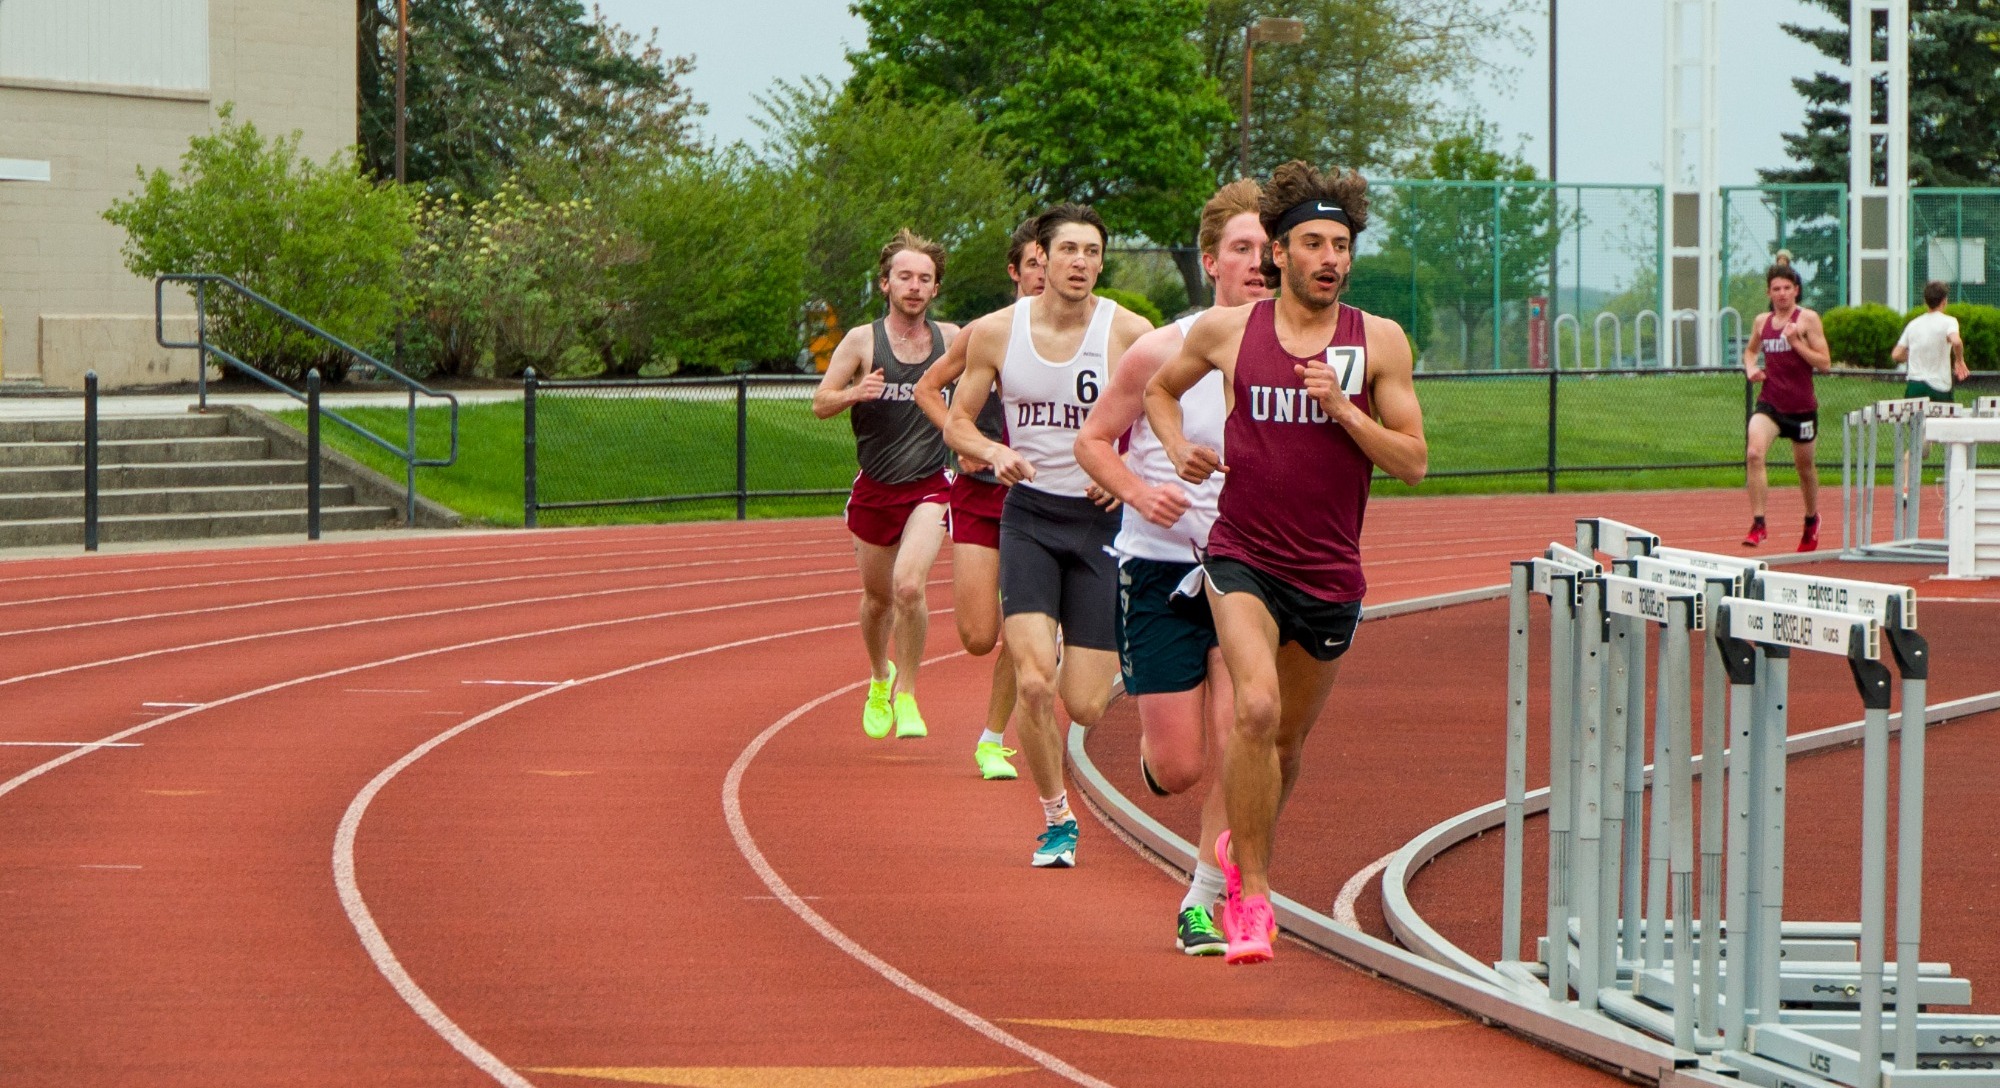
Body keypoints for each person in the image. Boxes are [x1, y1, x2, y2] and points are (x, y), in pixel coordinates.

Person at [1144, 162, 1426, 964]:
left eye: (1341, 244)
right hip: (1243, 556)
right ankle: (1251, 897)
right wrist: (1175, 449)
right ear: (1279, 251)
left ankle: (1236, 859)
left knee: (1285, 744)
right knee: (1254, 711)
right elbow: (1162, 392)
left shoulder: (1378, 341)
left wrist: (1343, 411)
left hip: (1330, 574)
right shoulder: (1229, 333)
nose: (1330, 257)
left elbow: (1412, 461)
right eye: (1313, 242)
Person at [1073, 178, 1268, 956]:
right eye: (1242, 249)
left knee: (1241, 731)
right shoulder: (1162, 349)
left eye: (1267, 250)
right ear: (1210, 260)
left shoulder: (1298, 356)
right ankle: (1157, 770)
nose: (1258, 264)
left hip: (1246, 570)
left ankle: (1205, 897)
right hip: (1157, 568)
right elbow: (1093, 440)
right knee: (1180, 764)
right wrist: (1137, 490)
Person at [944, 203, 1154, 868]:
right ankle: (1056, 818)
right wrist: (991, 451)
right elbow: (957, 422)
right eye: (1069, 250)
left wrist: (1120, 471)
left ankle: (1082, 636)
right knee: (1033, 683)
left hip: (1099, 524)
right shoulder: (996, 333)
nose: (1081, 264)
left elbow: (1165, 418)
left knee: (1085, 705)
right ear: (1041, 256)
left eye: (1093, 252)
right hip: (1030, 516)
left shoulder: (1130, 333)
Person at [913, 220, 1046, 781]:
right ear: (1014, 272)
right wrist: (963, 439)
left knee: (1026, 631)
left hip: (1042, 500)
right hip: (980, 494)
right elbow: (926, 388)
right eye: (1034, 263)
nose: (1046, 273)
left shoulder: (1092, 334)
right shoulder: (987, 331)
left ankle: (994, 738)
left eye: (1053, 260)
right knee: (977, 636)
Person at [813, 229, 958, 739]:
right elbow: (820, 403)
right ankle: (880, 676)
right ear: (885, 284)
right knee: (877, 601)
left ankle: (910, 694)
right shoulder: (861, 340)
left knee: (909, 587)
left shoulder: (952, 339)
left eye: (925, 278)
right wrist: (857, 392)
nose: (915, 287)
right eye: (905, 277)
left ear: (935, 288)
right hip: (875, 487)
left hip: (929, 485)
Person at [1740, 262, 1833, 551]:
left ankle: (1810, 519)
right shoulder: (1761, 322)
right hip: (1770, 403)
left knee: (1804, 468)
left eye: (1787, 288)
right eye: (1776, 289)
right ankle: (1758, 523)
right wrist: (1750, 367)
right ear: (1769, 292)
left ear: (1796, 291)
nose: (1781, 294)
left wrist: (1795, 342)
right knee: (1754, 453)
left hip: (1801, 407)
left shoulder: (1807, 320)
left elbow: (1825, 364)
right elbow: (1751, 350)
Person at [1892, 280, 1968, 403]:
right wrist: (1959, 360)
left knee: (1916, 422)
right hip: (1939, 387)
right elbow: (1957, 342)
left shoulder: (1913, 324)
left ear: (1925, 302)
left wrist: (1914, 356)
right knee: (1942, 422)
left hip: (1915, 386)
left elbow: (1896, 354)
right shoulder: (1949, 322)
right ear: (1944, 301)